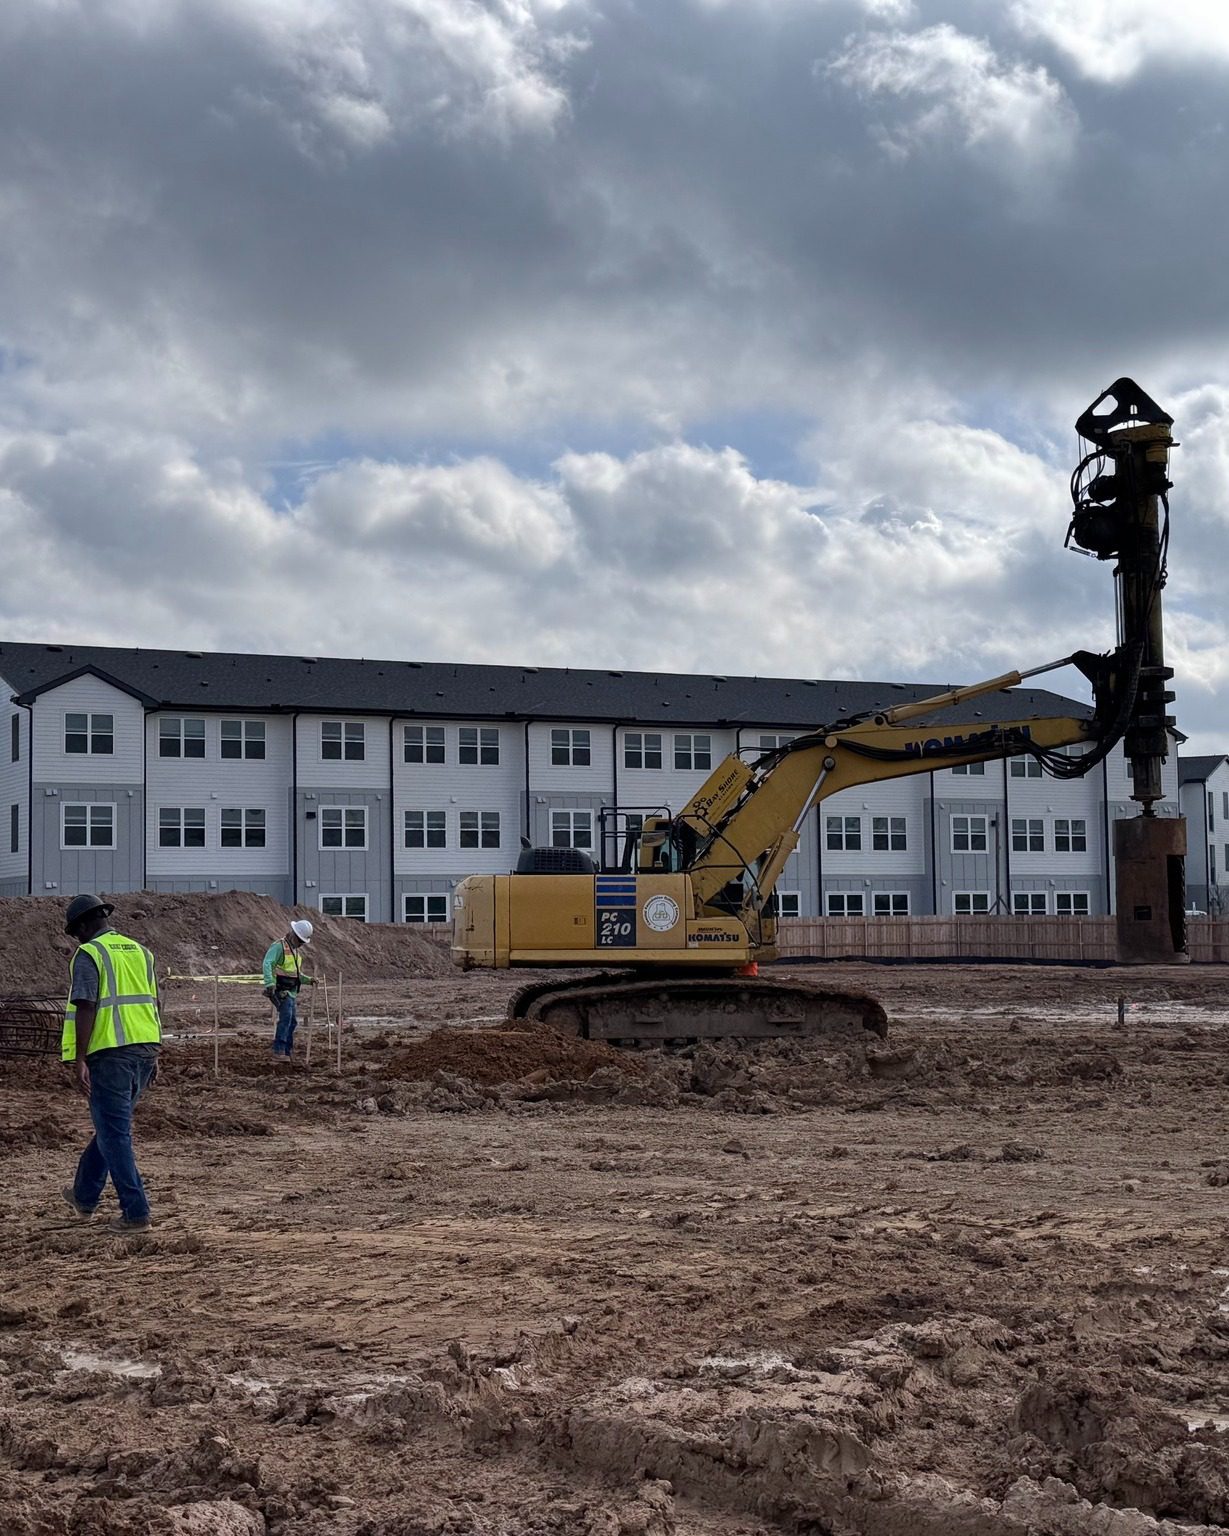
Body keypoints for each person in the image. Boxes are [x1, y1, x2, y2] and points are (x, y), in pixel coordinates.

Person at [59, 894, 162, 1234]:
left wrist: (80, 1058)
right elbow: (153, 1002)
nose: (78, 939)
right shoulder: (140, 951)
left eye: (77, 933)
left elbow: (85, 1005)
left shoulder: (90, 954)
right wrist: (154, 1049)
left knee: (115, 1135)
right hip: (143, 1050)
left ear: (85, 926)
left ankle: (136, 1212)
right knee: (110, 1130)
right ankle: (84, 1194)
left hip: (110, 1055)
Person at [262, 918, 315, 1059]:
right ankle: (279, 1050)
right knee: (285, 1019)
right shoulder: (279, 946)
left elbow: (296, 974)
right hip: (281, 990)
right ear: (294, 935)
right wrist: (269, 984)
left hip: (291, 992)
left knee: (292, 1021)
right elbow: (268, 963)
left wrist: (309, 980)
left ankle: (287, 1050)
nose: (301, 944)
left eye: (303, 942)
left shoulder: (295, 953)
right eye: (300, 940)